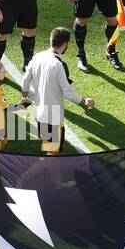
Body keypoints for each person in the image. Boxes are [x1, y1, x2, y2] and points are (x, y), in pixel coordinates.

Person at [20, 27, 95, 156]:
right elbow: (68, 93)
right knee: (53, 154)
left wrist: (25, 97)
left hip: (39, 113)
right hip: (53, 117)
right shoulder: (59, 65)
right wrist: (85, 101)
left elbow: (25, 80)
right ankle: (33, 174)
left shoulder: (37, 57)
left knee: (49, 146)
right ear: (65, 44)